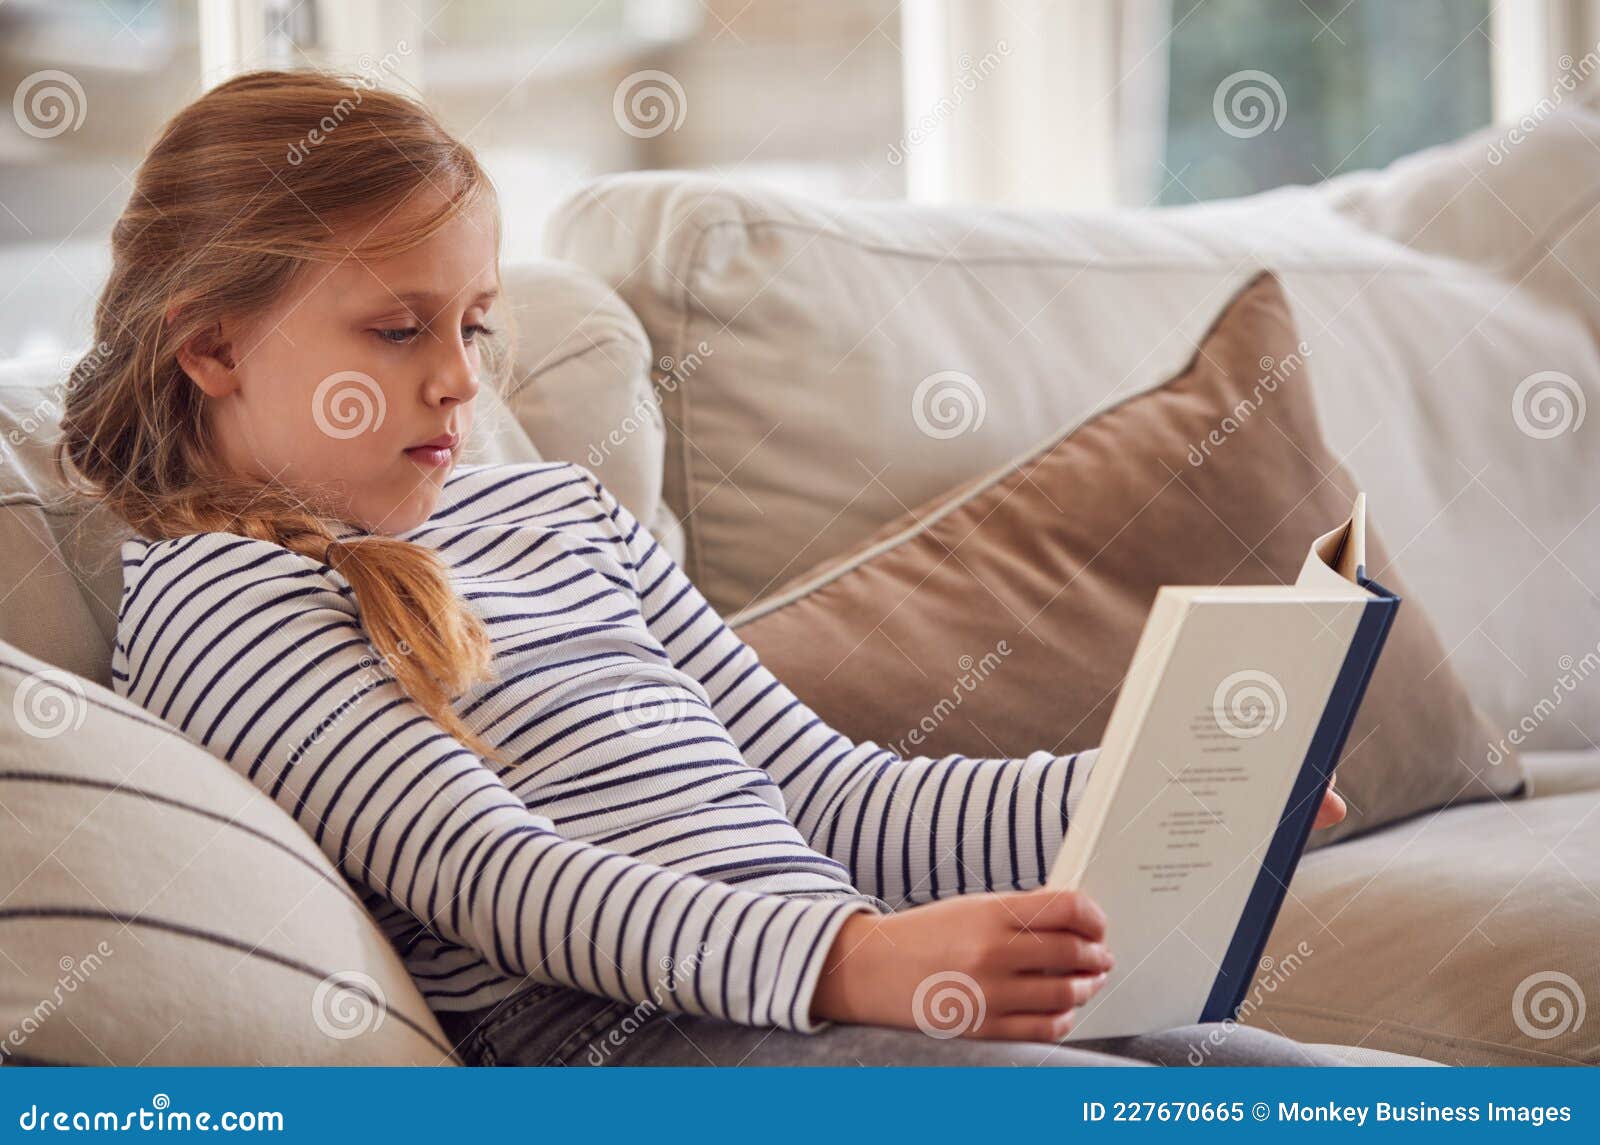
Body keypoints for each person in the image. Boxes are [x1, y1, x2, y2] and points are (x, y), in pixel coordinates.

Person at [56, 69, 1414, 1069]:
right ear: (212, 350)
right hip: (651, 1052)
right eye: (400, 328)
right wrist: (856, 960)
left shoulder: (555, 511)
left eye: (475, 323)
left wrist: (1164, 795)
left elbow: (838, 796)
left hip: (819, 993)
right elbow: (500, 877)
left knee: (1336, 1091)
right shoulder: (220, 597)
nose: (462, 378)